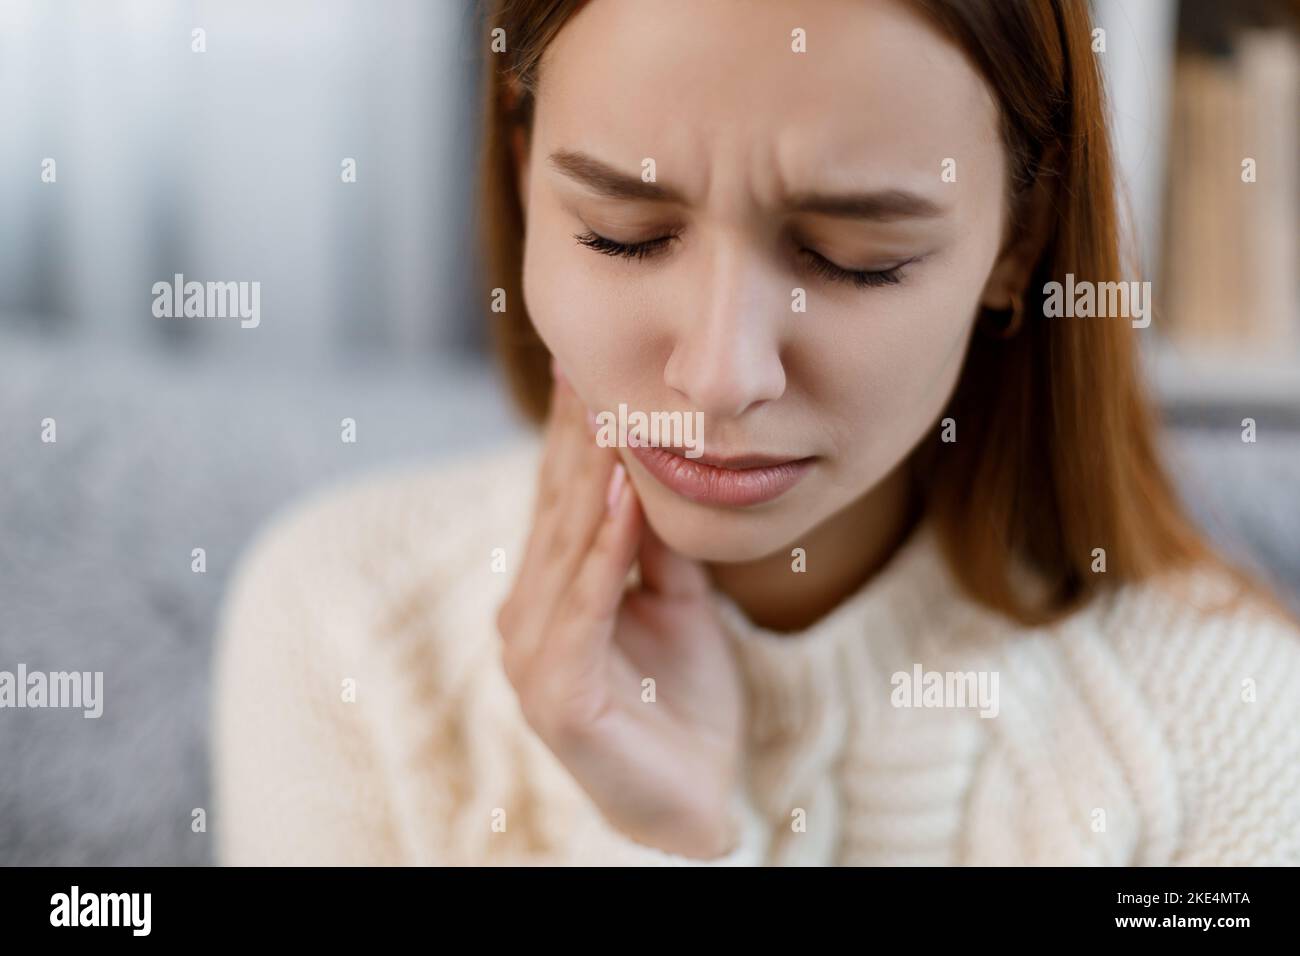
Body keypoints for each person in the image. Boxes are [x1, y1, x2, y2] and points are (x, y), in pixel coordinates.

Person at [212, 0, 1300, 865]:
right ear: (521, 167)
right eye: (624, 233)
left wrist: (683, 837)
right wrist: (648, 835)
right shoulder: (347, 617)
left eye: (854, 258)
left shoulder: (1230, 726)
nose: (721, 375)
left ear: (1019, 244)